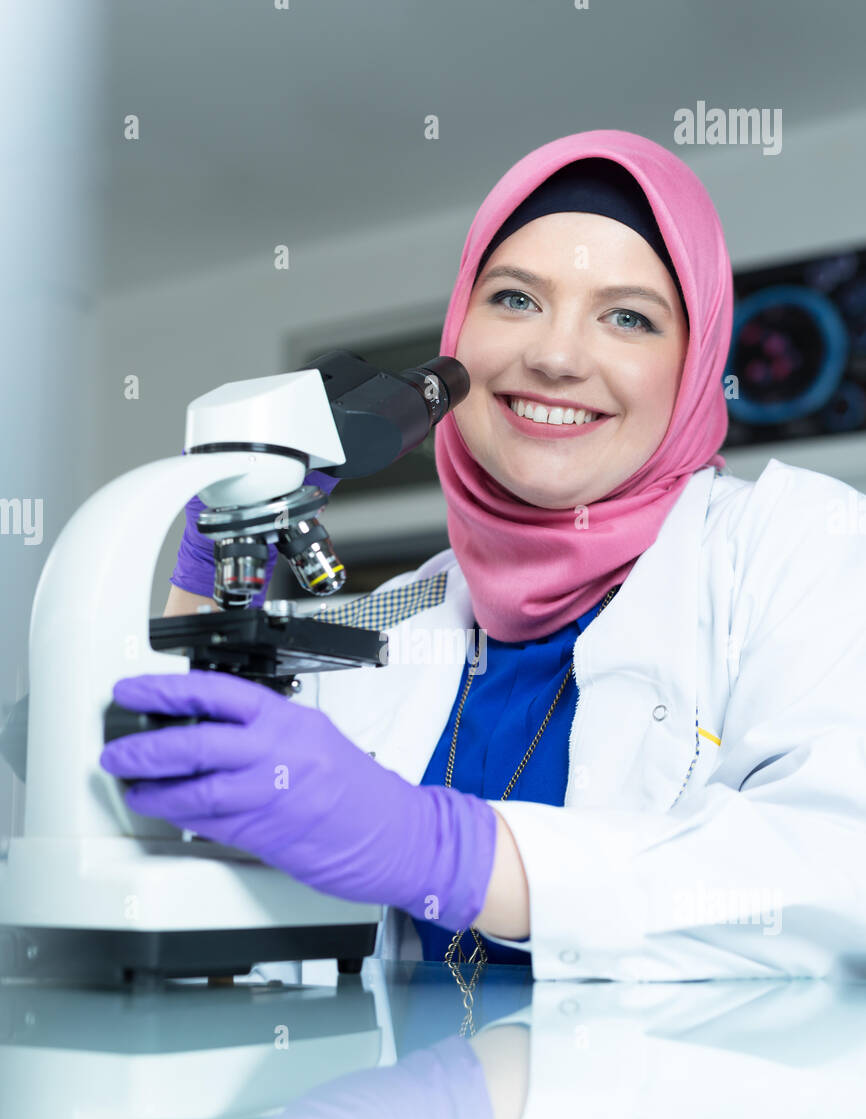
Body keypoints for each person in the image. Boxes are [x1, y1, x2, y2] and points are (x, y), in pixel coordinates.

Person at [102, 129, 866, 982]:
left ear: (693, 369)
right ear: (456, 334)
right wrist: (204, 576)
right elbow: (178, 788)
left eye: (627, 317)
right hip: (397, 1107)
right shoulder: (406, 611)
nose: (555, 355)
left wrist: (450, 854)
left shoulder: (797, 547)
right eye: (514, 299)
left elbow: (837, 873)